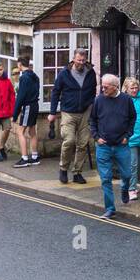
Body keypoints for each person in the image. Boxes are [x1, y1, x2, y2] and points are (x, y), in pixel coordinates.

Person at [89, 73, 136, 219]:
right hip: (104, 146)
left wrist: (127, 136)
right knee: (106, 179)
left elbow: (133, 118)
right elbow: (92, 120)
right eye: (102, 86)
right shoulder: (98, 100)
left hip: (121, 145)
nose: (103, 89)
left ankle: (124, 188)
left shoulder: (126, 100)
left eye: (106, 87)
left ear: (115, 87)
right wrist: (96, 137)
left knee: (127, 175)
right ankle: (110, 208)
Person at [47, 49, 97, 184]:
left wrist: (91, 106)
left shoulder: (91, 73)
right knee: (69, 141)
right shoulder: (64, 73)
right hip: (68, 112)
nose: (81, 63)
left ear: (86, 59)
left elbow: (93, 91)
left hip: (85, 112)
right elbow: (56, 92)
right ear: (73, 59)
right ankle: (63, 169)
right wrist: (52, 112)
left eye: (83, 60)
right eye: (78, 60)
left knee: (82, 144)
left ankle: (77, 172)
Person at [12, 57, 41, 168]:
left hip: (28, 106)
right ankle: (34, 157)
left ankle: (24, 158)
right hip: (35, 105)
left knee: (20, 131)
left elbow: (20, 97)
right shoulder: (35, 76)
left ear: (20, 64)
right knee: (32, 131)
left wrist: (15, 115)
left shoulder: (24, 78)